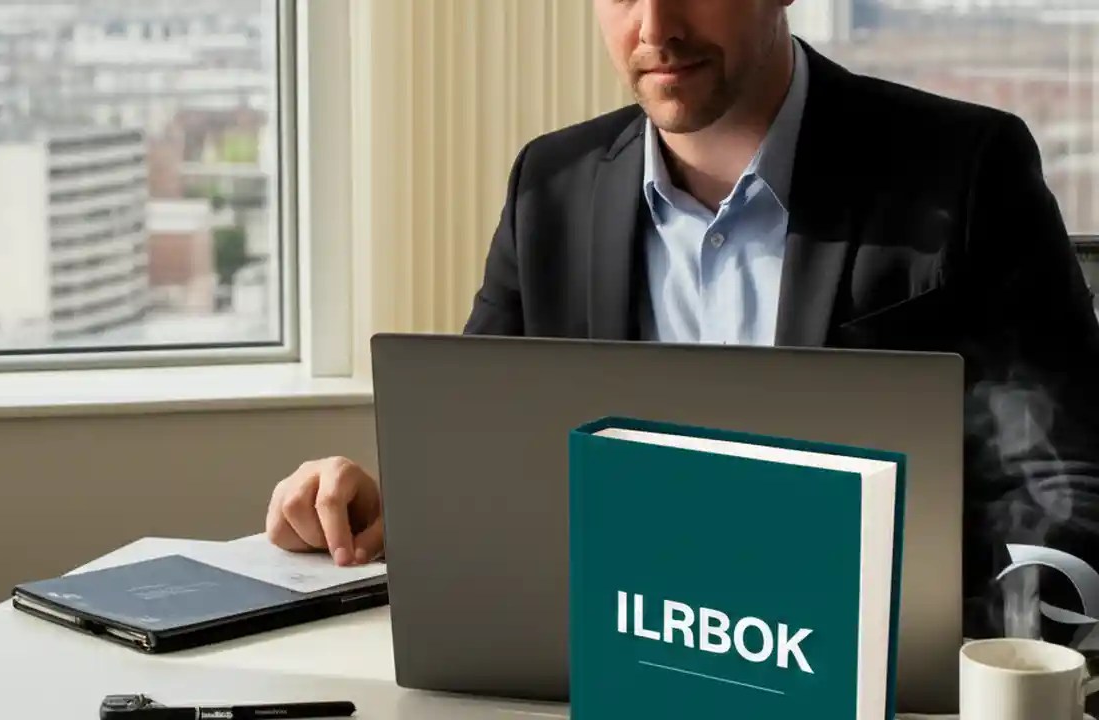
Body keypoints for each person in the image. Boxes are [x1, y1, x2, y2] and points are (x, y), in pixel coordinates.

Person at [266, 0, 1099, 639]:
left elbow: (1062, 482)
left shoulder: (964, 168)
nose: (655, 28)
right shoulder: (550, 187)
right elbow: (487, 457)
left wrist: (1008, 656)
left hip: (877, 673)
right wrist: (391, 505)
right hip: (618, 654)